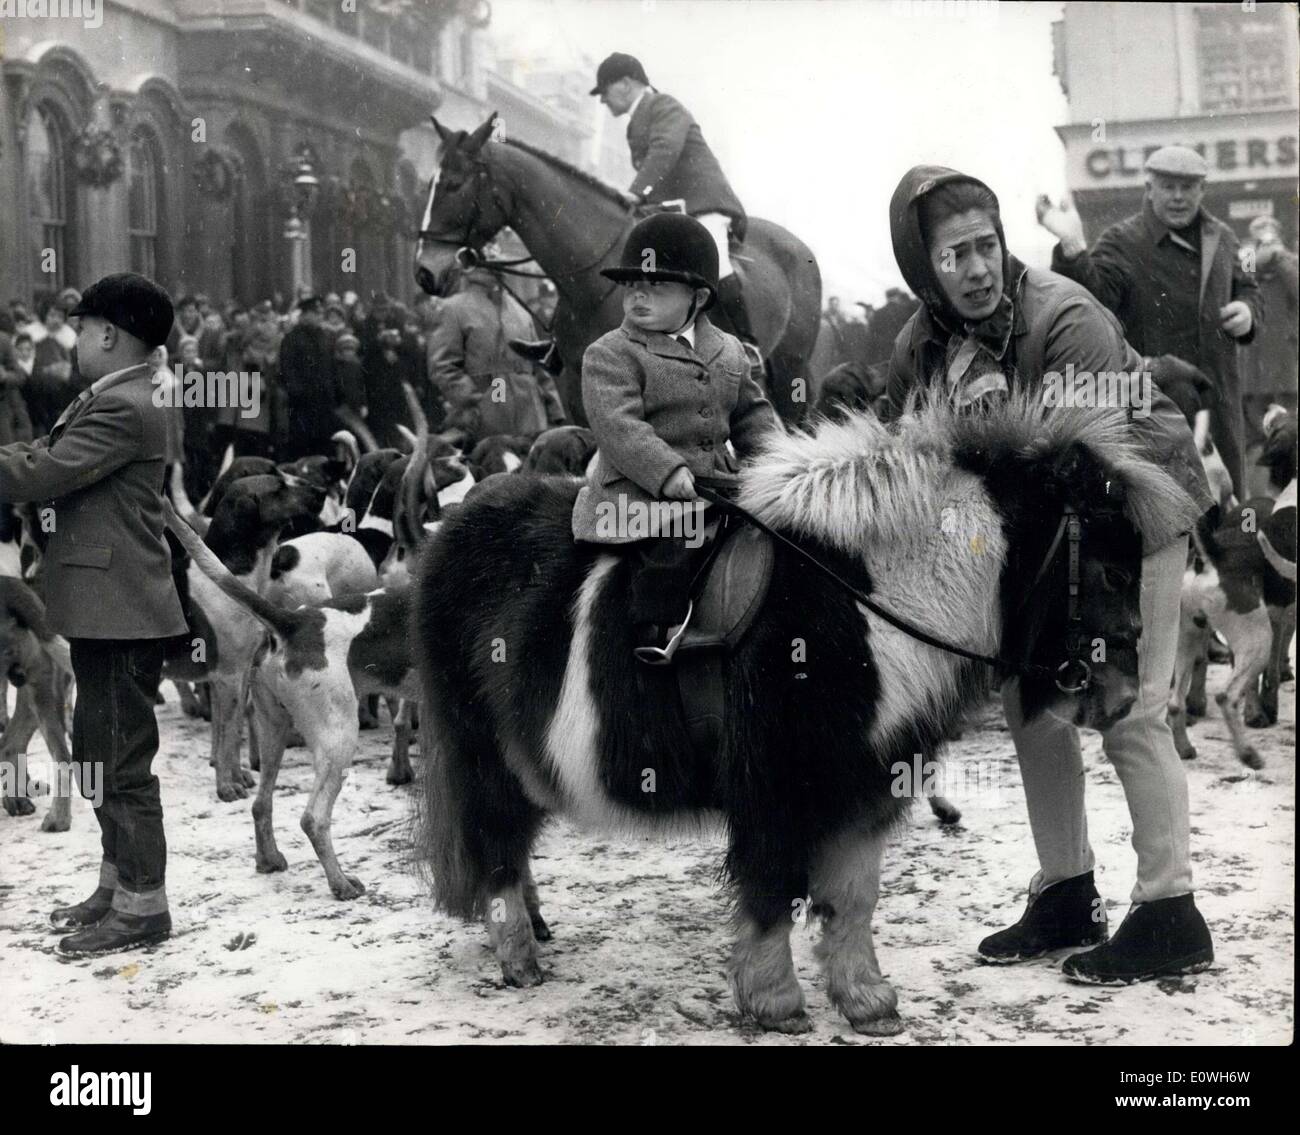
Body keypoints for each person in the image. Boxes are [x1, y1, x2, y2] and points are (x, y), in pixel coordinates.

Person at [884, 166, 1216, 985]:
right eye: (954, 254)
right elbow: (917, 465)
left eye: (986, 246)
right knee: (1034, 705)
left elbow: (1087, 473)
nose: (976, 268)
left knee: (1126, 702)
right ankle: (1066, 891)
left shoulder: (1066, 316)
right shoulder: (918, 346)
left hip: (1134, 502)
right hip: (1039, 527)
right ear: (924, 268)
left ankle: (1171, 910)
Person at [0, 272, 186, 956]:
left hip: (123, 611)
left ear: (109, 334)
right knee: (99, 756)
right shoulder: (118, 394)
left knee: (120, 764)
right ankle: (117, 887)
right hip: (110, 607)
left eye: (81, 328)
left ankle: (143, 907)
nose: (74, 338)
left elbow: (45, 470)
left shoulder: (125, 405)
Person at [572, 213, 779, 662]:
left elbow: (751, 416)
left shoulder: (728, 350)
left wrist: (779, 466)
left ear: (698, 296)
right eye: (631, 286)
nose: (638, 296)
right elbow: (619, 427)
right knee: (676, 540)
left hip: (717, 486)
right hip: (638, 495)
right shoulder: (609, 354)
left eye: (656, 287)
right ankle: (656, 630)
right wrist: (667, 472)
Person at [1036, 145, 1261, 498]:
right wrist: (1073, 248)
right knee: (1163, 517)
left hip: (1217, 404)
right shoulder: (1121, 241)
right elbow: (1091, 301)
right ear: (1149, 188)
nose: (1178, 197)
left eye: (1187, 187)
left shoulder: (1224, 237)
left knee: (1226, 518)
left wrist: (1248, 311)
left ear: (1202, 190)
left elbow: (1248, 286)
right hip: (1158, 404)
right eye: (1168, 186)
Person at [590, 52, 760, 367]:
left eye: (604, 91)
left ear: (625, 84)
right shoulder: (637, 120)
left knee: (718, 265)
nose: (602, 101)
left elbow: (665, 151)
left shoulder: (665, 105)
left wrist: (635, 193)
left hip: (702, 203)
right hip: (671, 209)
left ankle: (749, 345)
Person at [427, 262, 566, 440]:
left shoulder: (520, 309)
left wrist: (554, 409)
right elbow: (442, 366)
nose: (495, 268)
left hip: (531, 416)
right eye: (488, 262)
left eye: (499, 262)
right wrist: (473, 401)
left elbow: (538, 364)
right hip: (488, 413)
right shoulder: (453, 308)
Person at [1240, 215, 1298, 493]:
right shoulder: (1247, 260)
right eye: (1259, 232)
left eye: (1270, 231)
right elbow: (1244, 273)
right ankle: (1259, 505)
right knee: (1254, 443)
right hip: (1253, 370)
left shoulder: (1289, 262)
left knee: (1288, 435)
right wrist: (1260, 253)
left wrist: (1280, 255)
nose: (1265, 236)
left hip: (1284, 369)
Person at [278, 295, 337, 460]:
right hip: (303, 405)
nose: (320, 316)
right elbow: (287, 370)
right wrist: (299, 392)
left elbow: (330, 368)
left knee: (324, 449)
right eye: (316, 313)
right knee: (302, 449)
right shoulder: (292, 338)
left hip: (324, 403)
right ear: (304, 315)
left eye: (320, 313)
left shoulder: (324, 337)